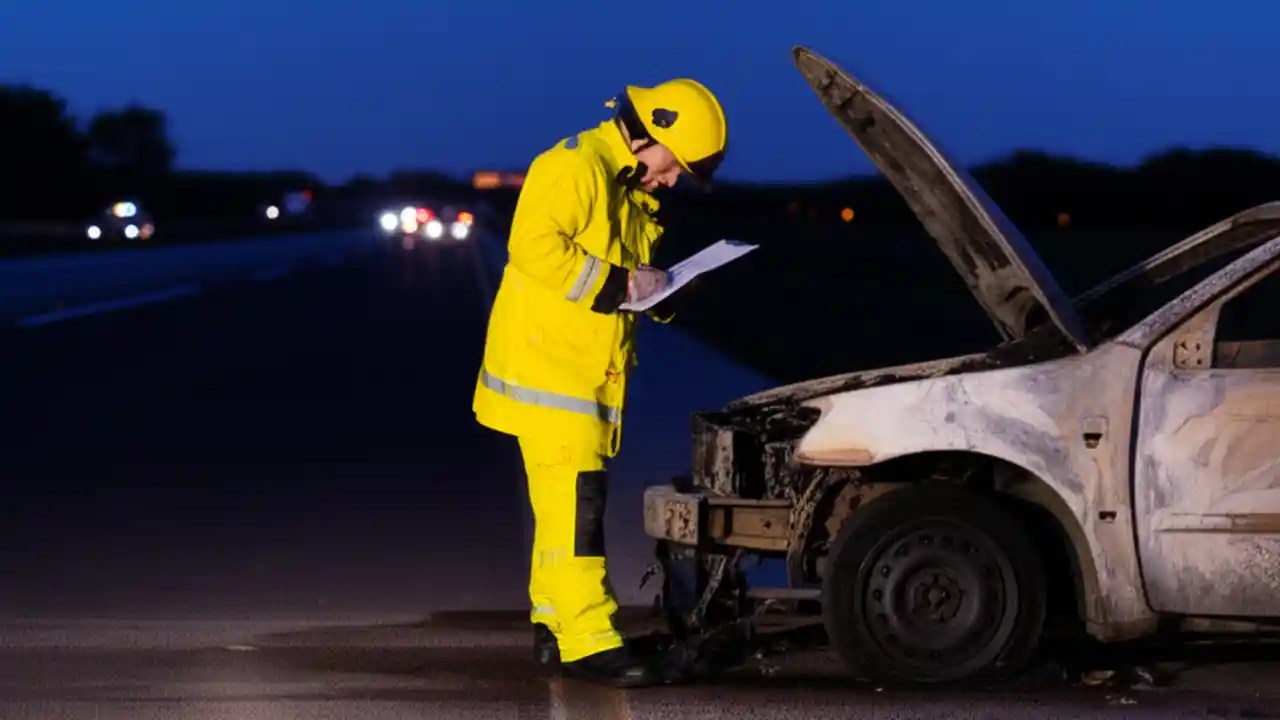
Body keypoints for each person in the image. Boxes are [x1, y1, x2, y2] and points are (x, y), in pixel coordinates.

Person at [472, 78, 727, 687]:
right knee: (576, 510)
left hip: (578, 374)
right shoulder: (575, 166)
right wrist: (620, 284)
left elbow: (626, 278)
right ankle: (589, 640)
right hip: (551, 373)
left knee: (561, 510)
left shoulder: (623, 186)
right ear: (650, 134)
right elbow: (534, 247)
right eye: (673, 167)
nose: (669, 181)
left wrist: (663, 294)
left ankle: (553, 623)